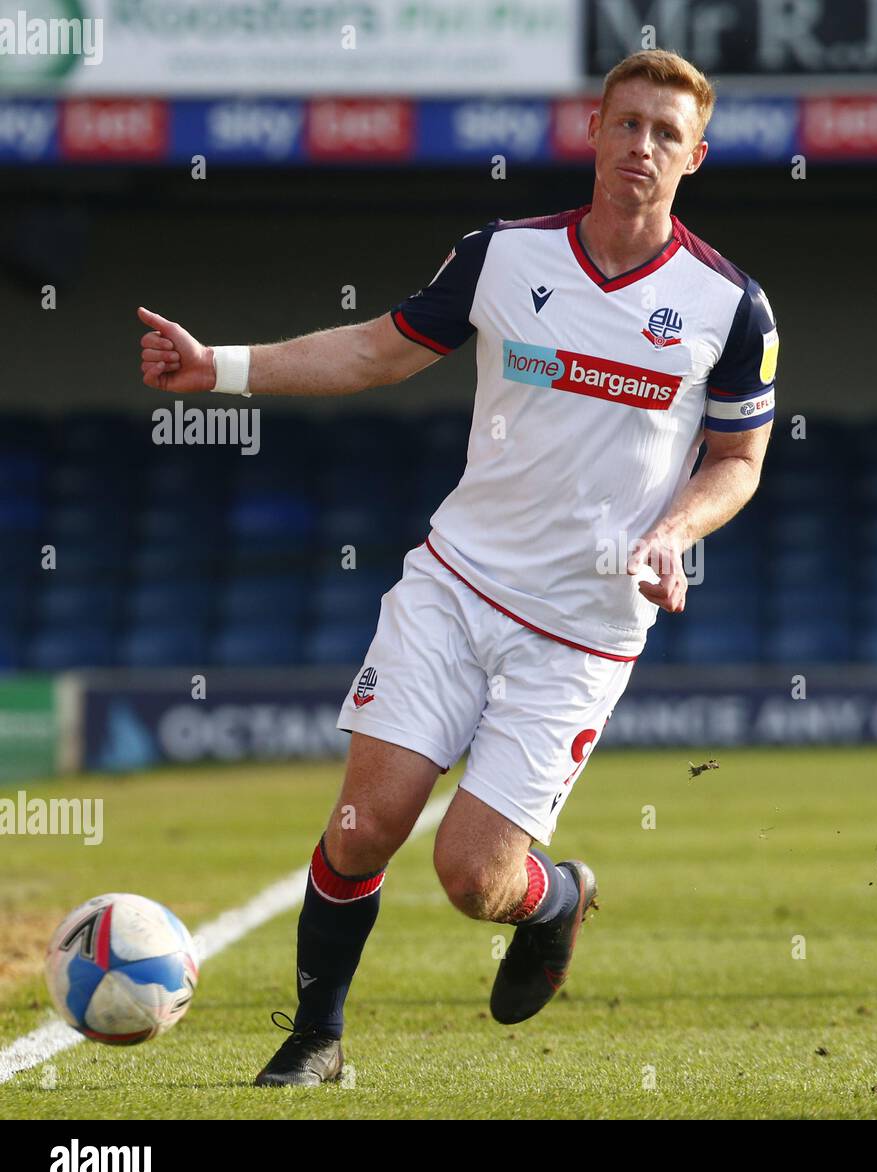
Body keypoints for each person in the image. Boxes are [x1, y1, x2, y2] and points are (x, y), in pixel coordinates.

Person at [137, 48, 779, 1086]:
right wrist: (223, 368)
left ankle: (556, 900)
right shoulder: (504, 256)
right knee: (363, 825)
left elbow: (738, 461)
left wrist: (674, 535)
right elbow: (376, 351)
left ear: (694, 156)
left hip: (584, 626)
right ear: (595, 132)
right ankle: (315, 1042)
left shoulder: (730, 308)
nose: (643, 146)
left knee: (473, 878)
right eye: (628, 124)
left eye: (667, 133)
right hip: (456, 583)